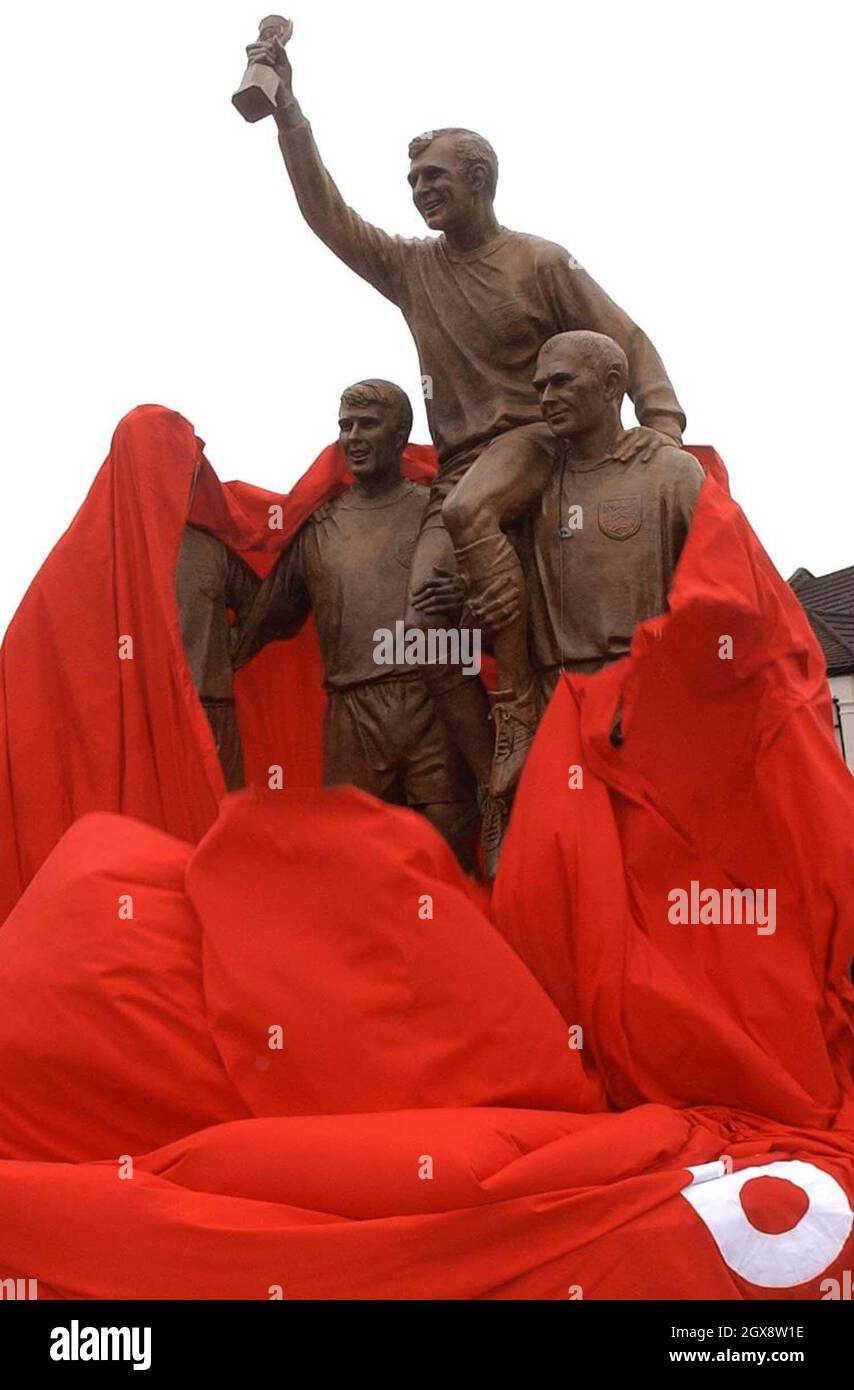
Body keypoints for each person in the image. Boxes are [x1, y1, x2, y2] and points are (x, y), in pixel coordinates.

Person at [240, 30, 686, 820]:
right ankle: (494, 786)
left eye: (433, 175)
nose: (418, 189)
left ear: (478, 180)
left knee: (468, 509)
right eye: (412, 179)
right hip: (459, 466)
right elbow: (331, 217)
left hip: (533, 442)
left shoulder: (538, 261)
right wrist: (289, 117)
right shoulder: (414, 268)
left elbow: (624, 337)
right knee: (424, 626)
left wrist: (661, 422)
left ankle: (514, 707)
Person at [235, 379, 477, 870]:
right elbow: (265, 620)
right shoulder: (319, 529)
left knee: (449, 859)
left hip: (433, 702)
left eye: (367, 424)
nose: (353, 437)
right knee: (352, 859)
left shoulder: (440, 513)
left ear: (401, 432)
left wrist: (466, 600)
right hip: (352, 712)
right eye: (345, 426)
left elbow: (500, 600)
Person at [522, 329, 703, 709]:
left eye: (562, 381)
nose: (547, 398)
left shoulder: (671, 472)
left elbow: (718, 589)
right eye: (541, 387)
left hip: (650, 692)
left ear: (610, 385)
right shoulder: (530, 484)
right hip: (557, 699)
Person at [175, 517, 260, 791]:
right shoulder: (124, 549)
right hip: (152, 717)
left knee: (225, 821)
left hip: (213, 710)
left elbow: (260, 603)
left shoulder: (207, 548)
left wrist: (225, 649)